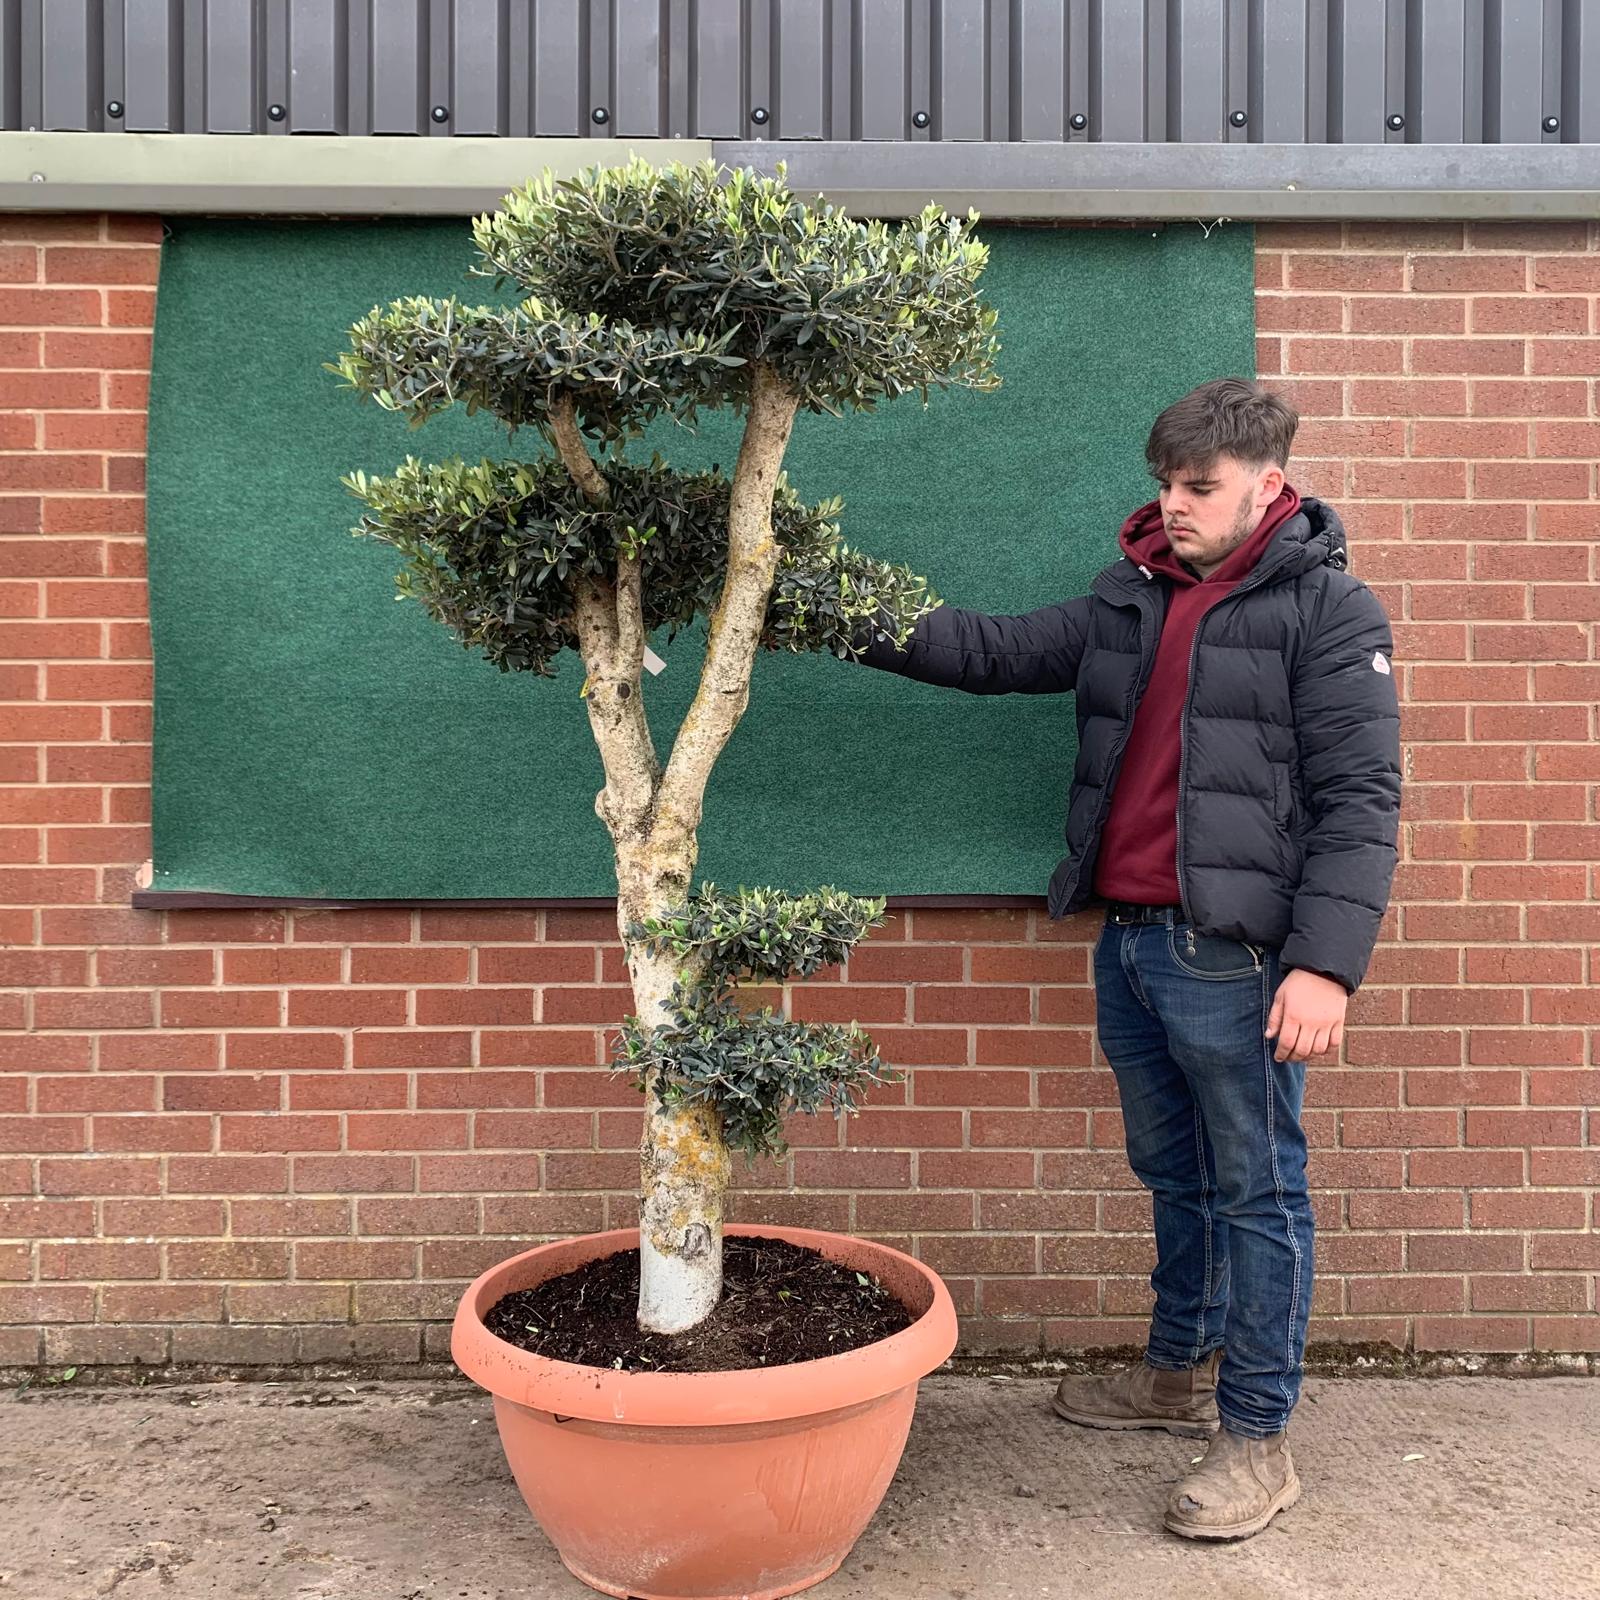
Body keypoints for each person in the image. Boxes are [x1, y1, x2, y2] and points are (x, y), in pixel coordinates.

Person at [849, 377, 1402, 1541]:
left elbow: (1360, 801)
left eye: (1197, 487)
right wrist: (823, 604)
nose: (1174, 504)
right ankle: (1171, 1375)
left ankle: (1256, 1442)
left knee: (1260, 1195)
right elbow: (985, 650)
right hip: (1133, 945)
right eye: (1165, 483)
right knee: (1175, 1174)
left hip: (1241, 962)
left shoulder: (1330, 611)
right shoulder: (1130, 597)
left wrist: (1326, 966)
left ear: (1266, 480)